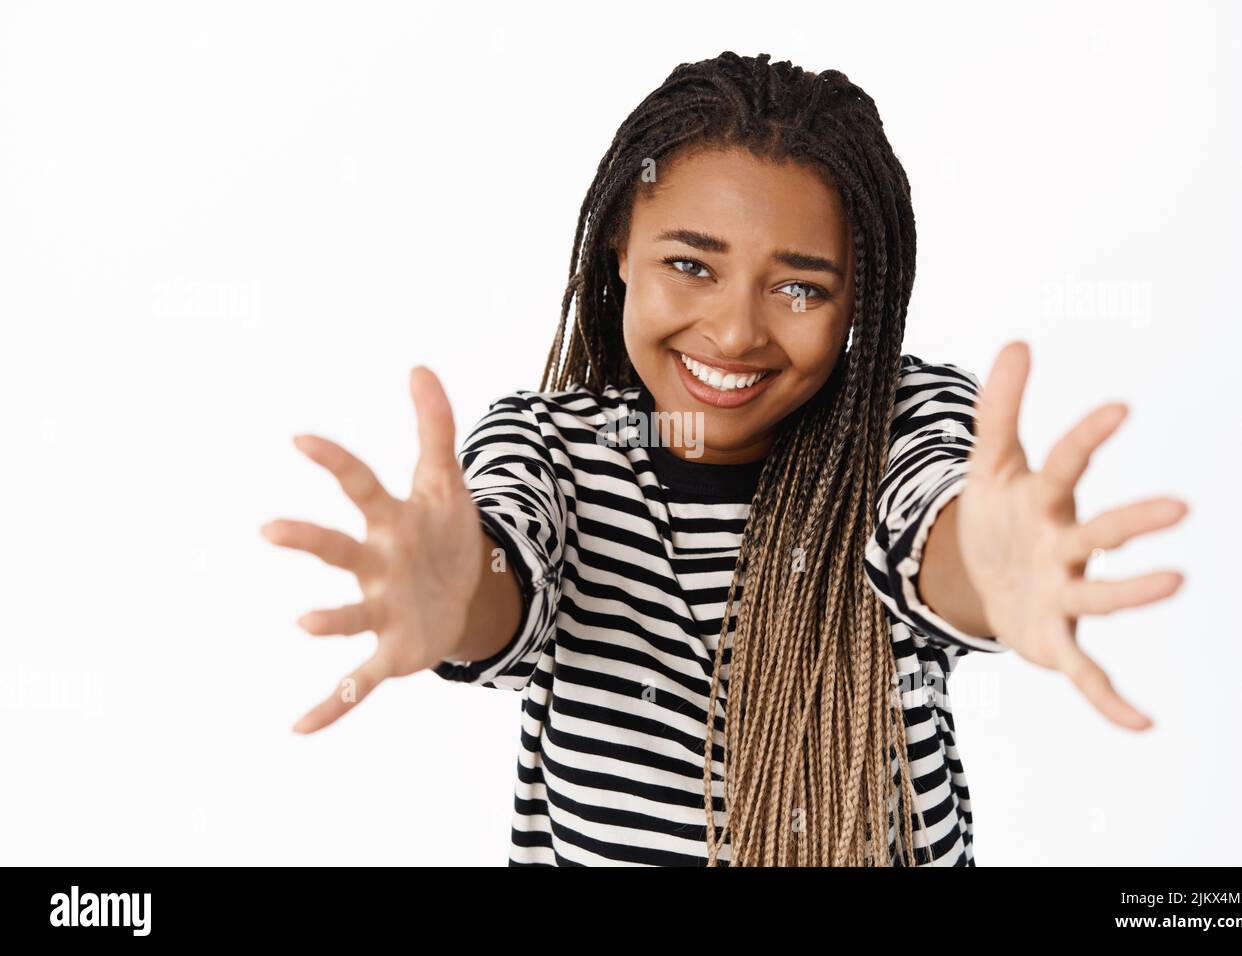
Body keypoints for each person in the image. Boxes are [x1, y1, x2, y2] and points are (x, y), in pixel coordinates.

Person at [261, 52, 1188, 866]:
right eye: (691, 266)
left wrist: (988, 565)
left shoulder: (901, 422)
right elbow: (505, 565)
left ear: (858, 296)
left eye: (798, 286)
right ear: (620, 246)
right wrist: (455, 587)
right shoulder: (554, 449)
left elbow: (940, 527)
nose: (737, 330)